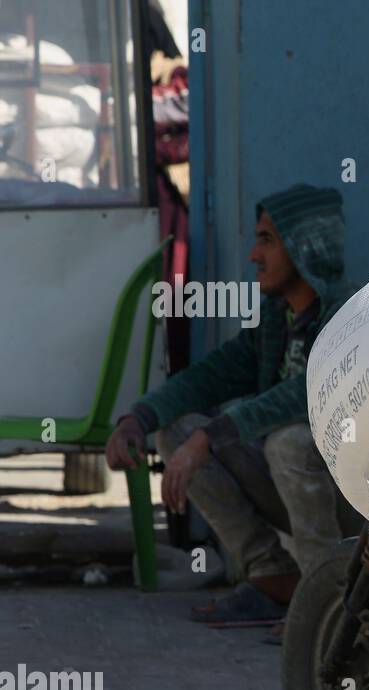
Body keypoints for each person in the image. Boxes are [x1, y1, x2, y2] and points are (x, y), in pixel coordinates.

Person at [105, 183, 354, 626]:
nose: (254, 255)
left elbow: (306, 393)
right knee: (174, 431)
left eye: (267, 241)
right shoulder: (276, 322)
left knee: (288, 441)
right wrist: (137, 419)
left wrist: (211, 436)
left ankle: (327, 607)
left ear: (304, 246)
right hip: (289, 490)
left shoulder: (348, 315)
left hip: (355, 509)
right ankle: (272, 575)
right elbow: (209, 376)